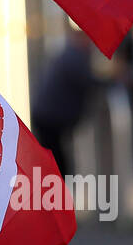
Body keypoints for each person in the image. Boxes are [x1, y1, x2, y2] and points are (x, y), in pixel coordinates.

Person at [29, 23, 97, 178]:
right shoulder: (73, 56)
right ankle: (55, 193)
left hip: (48, 115)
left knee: (55, 159)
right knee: (56, 162)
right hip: (49, 117)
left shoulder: (70, 54)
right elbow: (87, 80)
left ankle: (55, 192)